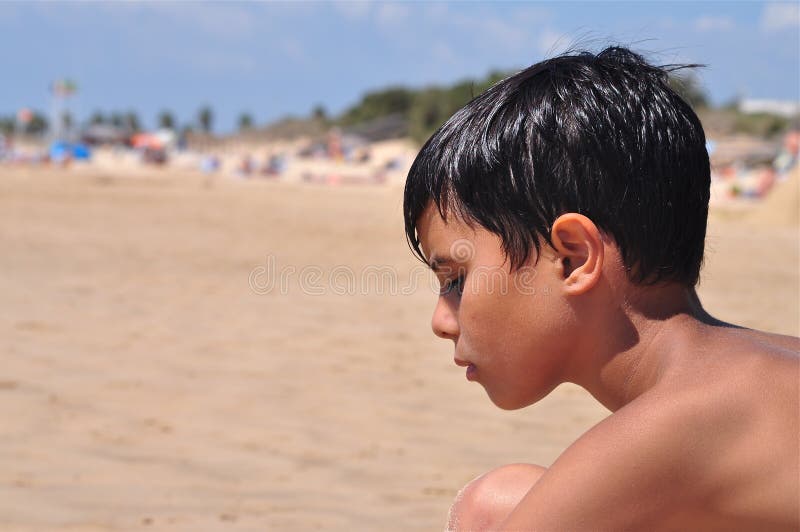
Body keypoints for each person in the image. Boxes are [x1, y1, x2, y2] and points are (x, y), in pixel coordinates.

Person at [403, 47, 799, 531]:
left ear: (574, 258)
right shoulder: (758, 369)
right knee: (500, 500)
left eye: (457, 281)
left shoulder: (666, 433)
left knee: (483, 512)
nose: (441, 322)